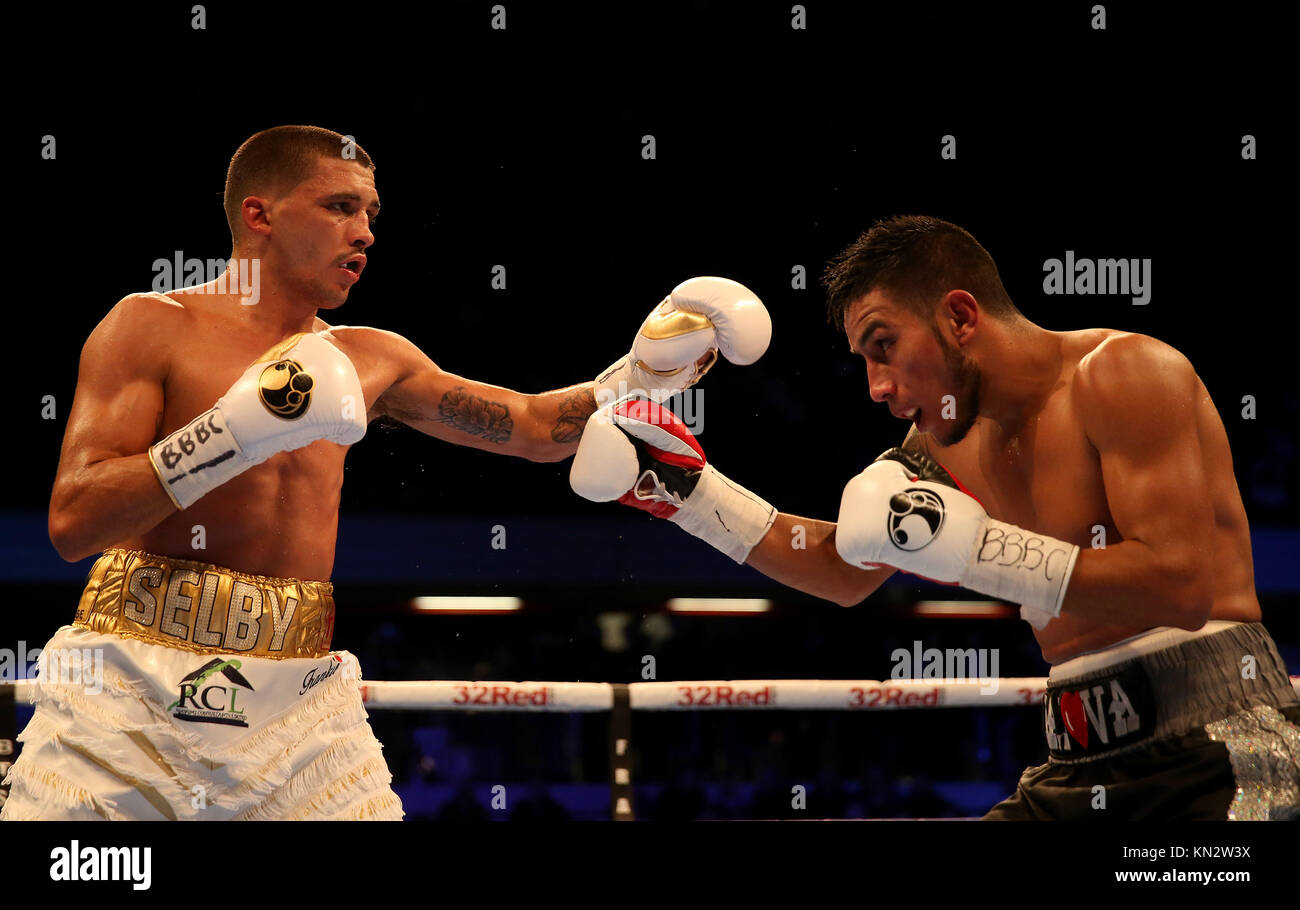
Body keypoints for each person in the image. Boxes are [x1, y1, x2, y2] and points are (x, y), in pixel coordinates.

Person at [0, 125, 771, 821]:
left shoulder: (370, 358)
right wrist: (231, 432)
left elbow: (533, 429)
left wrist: (640, 376)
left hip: (298, 703)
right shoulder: (150, 324)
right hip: (128, 684)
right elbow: (73, 522)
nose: (365, 232)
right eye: (340, 207)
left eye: (371, 213)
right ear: (259, 215)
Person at [570, 214, 1300, 821]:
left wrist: (979, 553)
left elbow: (1180, 586)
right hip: (1075, 756)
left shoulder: (1125, 374)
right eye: (862, 359)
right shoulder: (945, 438)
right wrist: (692, 494)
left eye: (884, 346)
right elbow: (842, 568)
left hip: (1217, 746)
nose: (876, 387)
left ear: (959, 316)